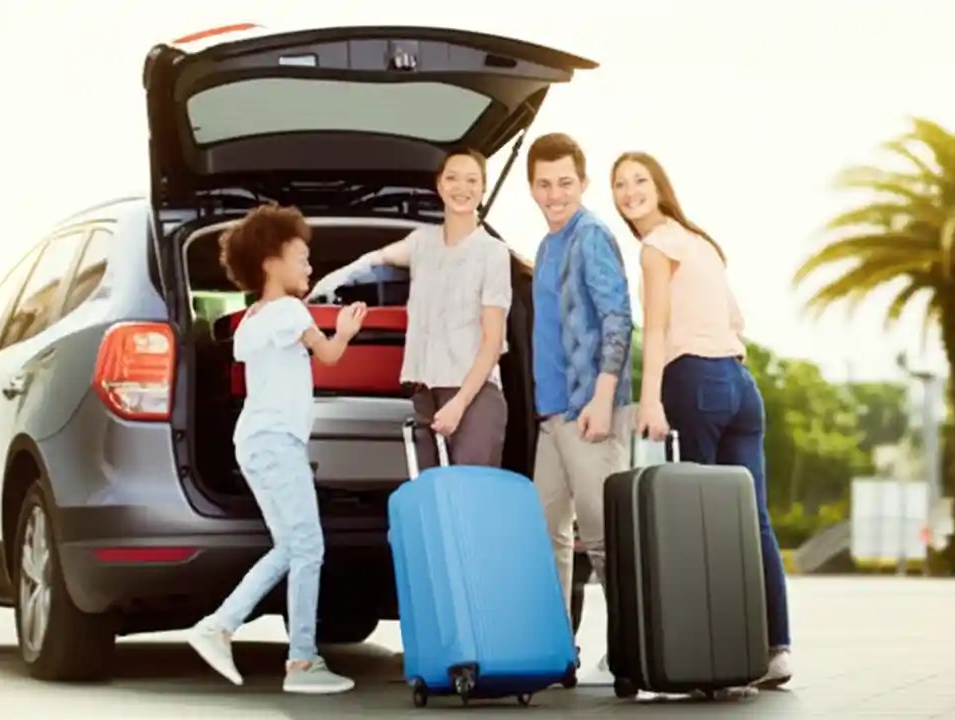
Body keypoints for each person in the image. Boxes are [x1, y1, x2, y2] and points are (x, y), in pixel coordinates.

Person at [611, 150, 792, 689]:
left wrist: (650, 401)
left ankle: (711, 651)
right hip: (740, 385)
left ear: (660, 186)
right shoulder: (700, 241)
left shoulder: (655, 245)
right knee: (752, 518)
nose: (629, 192)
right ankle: (775, 648)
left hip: (694, 379)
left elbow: (658, 328)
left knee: (699, 524)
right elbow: (736, 317)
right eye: (620, 185)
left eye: (639, 180)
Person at [186, 203, 367, 694]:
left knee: (291, 546)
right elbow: (327, 354)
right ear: (270, 262)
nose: (310, 266)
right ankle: (298, 660)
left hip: (254, 443)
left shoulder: (249, 321)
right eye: (302, 256)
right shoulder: (290, 311)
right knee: (308, 547)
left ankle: (224, 629)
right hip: (276, 443)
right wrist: (346, 331)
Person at [306, 149, 513, 467]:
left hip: (473, 395)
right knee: (432, 500)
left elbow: (492, 341)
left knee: (469, 499)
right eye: (453, 178)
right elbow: (376, 259)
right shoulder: (421, 242)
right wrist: (322, 288)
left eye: (472, 180)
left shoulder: (493, 253)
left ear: (483, 188)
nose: (462, 187)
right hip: (424, 394)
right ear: (440, 185)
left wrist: (459, 404)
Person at [525, 132, 633, 685]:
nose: (554, 193)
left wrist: (603, 395)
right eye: (543, 184)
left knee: (604, 537)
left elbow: (618, 318)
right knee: (549, 535)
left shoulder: (592, 236)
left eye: (564, 182)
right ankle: (556, 650)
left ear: (582, 183)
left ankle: (633, 650)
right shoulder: (548, 247)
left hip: (590, 408)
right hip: (553, 415)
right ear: (532, 189)